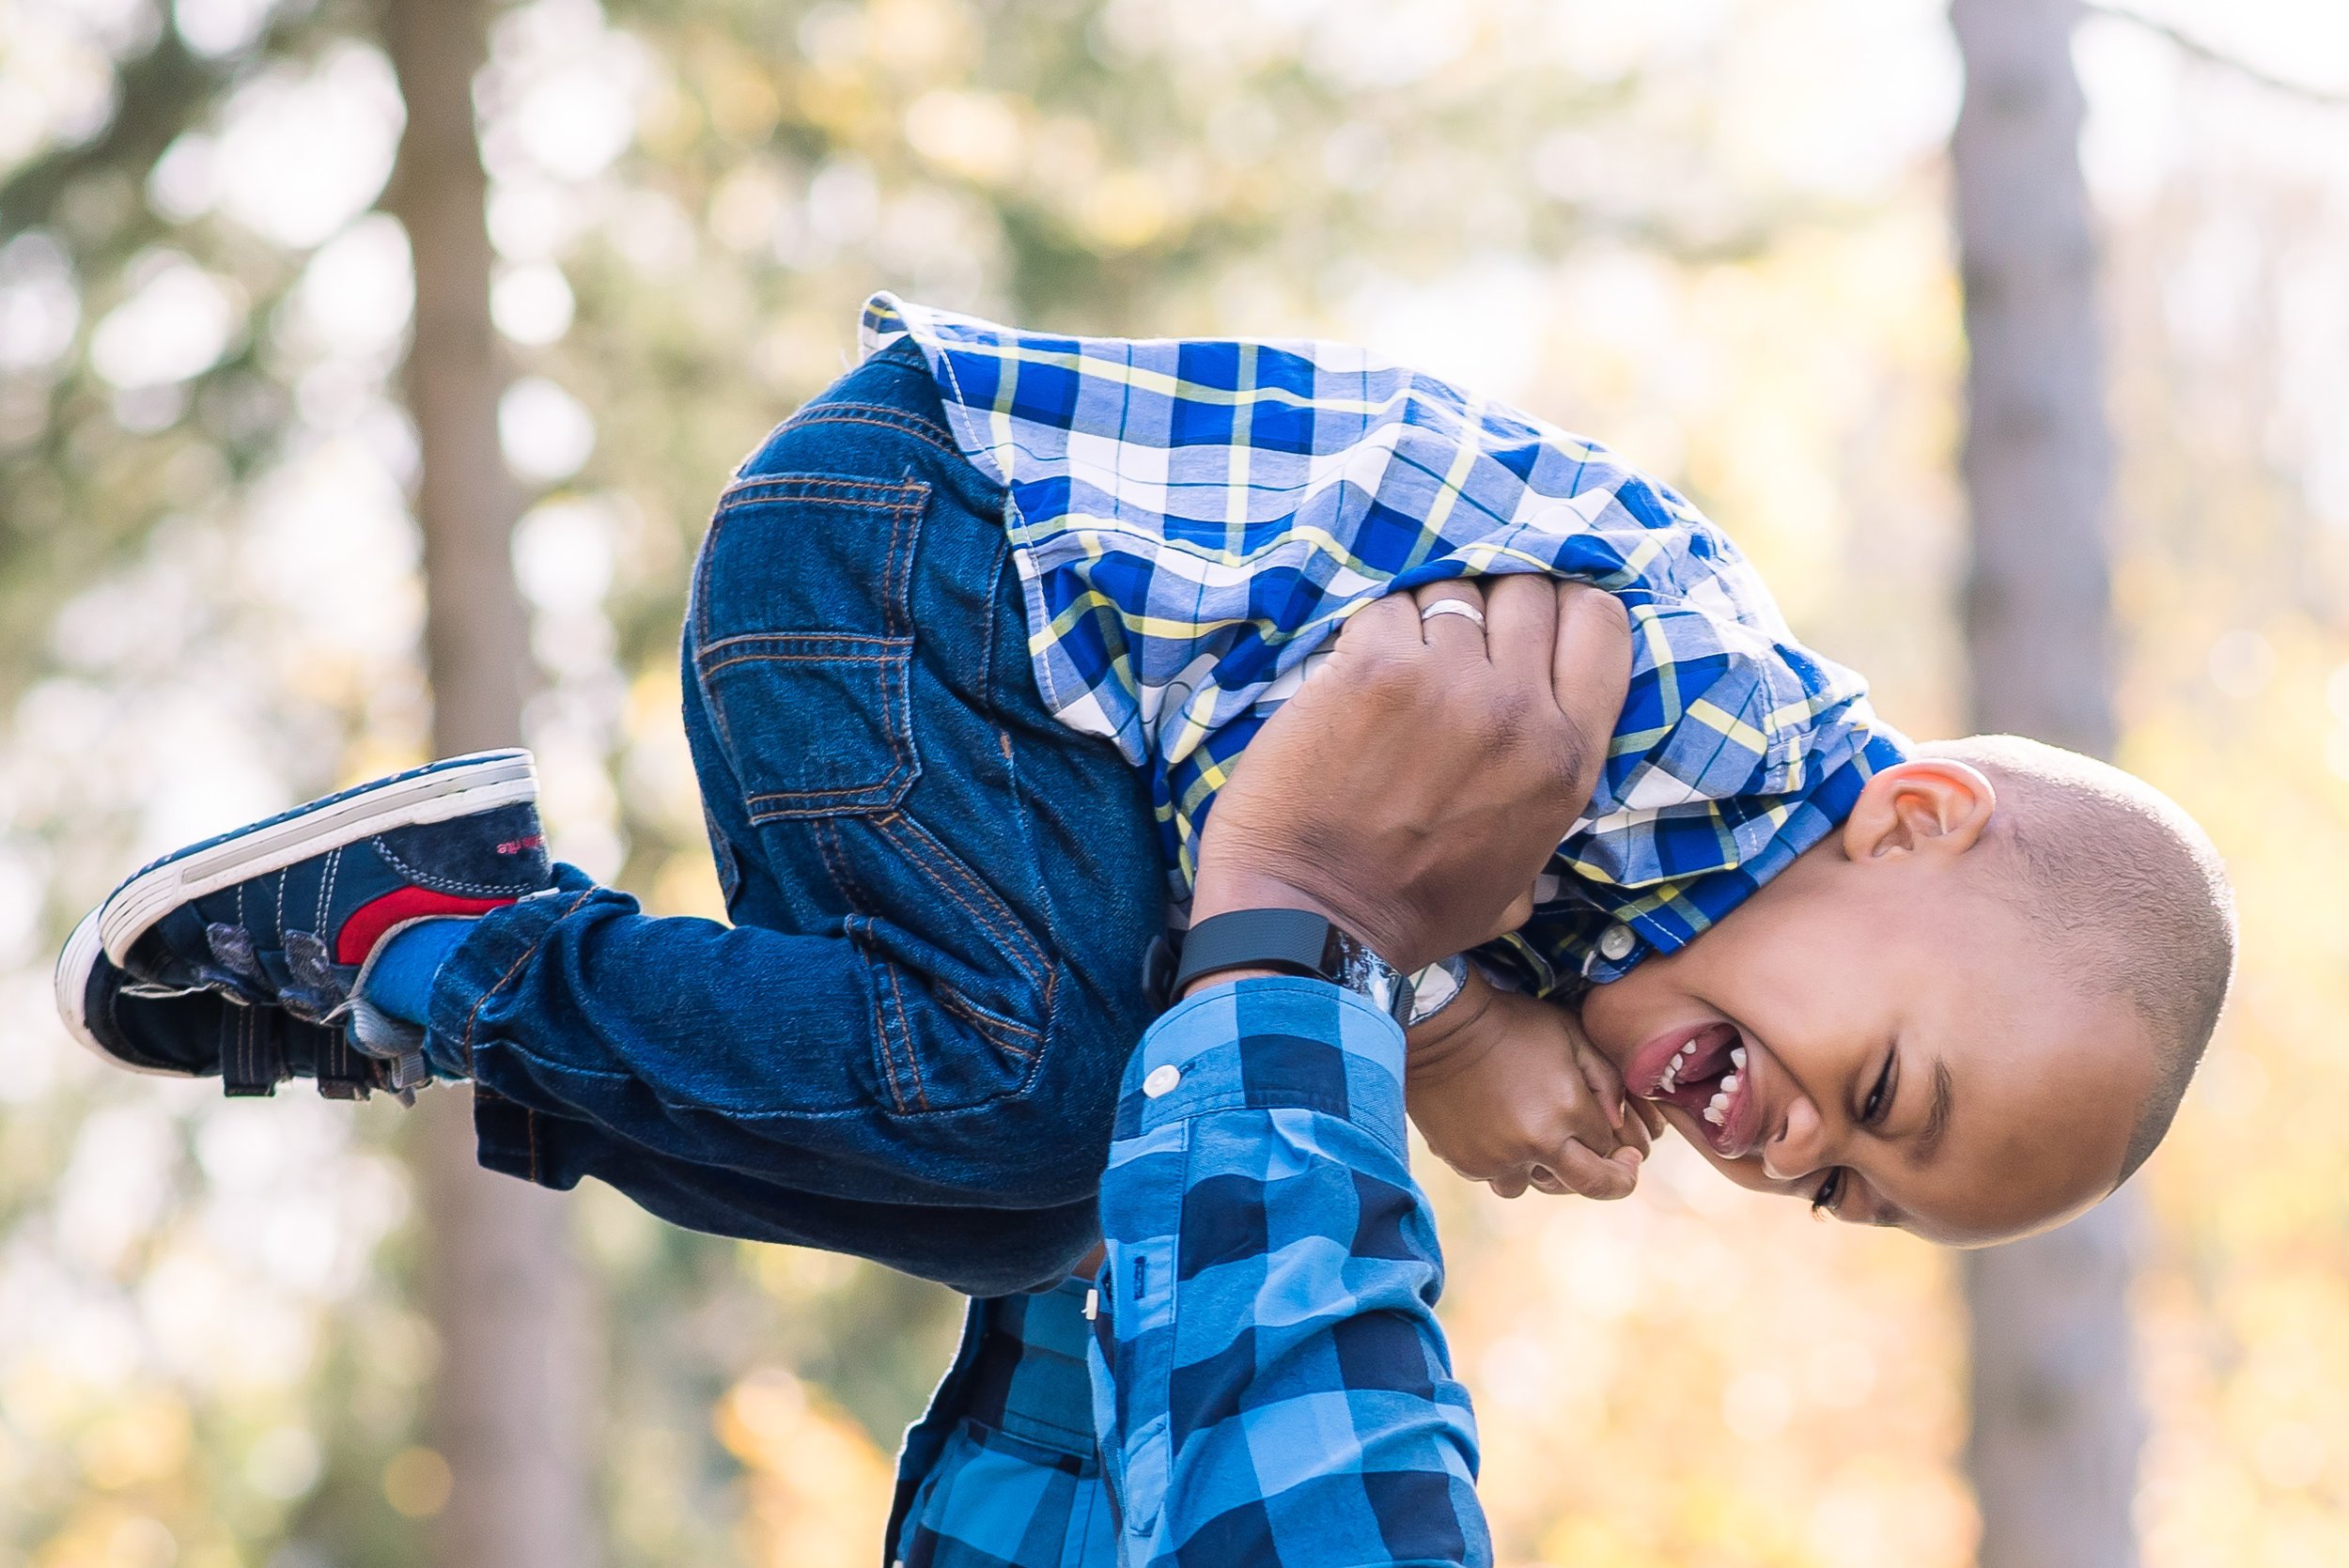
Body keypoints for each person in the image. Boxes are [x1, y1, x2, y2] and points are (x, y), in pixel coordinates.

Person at [58, 296, 2235, 1296]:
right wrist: (1443, 1020)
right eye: (1882, 1084)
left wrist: (1458, 996)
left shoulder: (1642, 899)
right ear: (1916, 821)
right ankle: (425, 950)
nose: (1793, 1144)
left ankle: (417, 965)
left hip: (973, 663)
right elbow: (1295, 749)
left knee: (1051, 1198)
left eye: (1846, 1187)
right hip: (930, 553)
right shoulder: (1675, 706)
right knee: (1036, 1100)